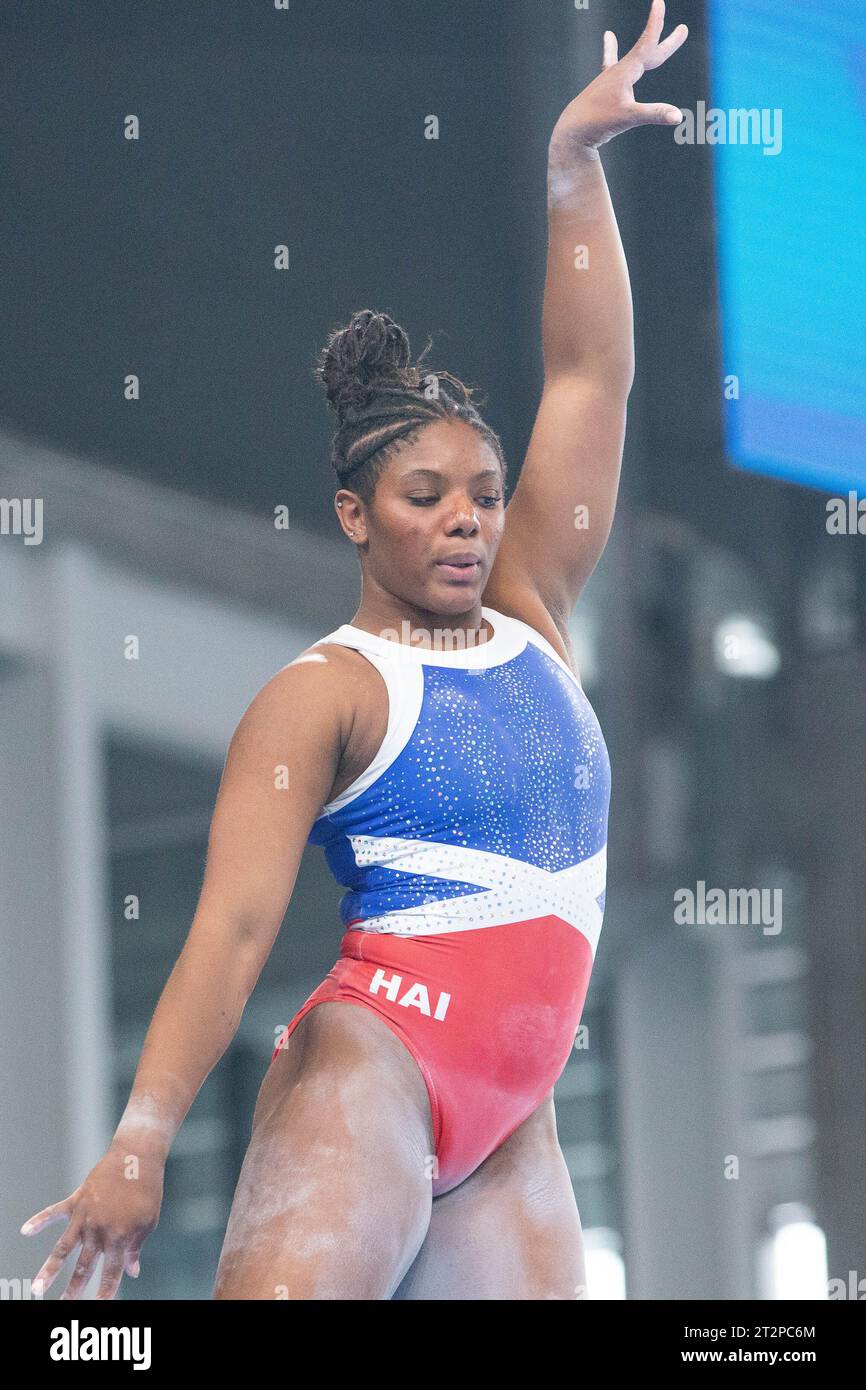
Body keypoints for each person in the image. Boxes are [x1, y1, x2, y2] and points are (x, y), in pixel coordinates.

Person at [21, 0, 687, 1300]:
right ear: (352, 513)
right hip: (372, 1065)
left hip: (514, 1122)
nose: (464, 520)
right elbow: (232, 925)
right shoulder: (327, 692)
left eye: (482, 494)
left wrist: (570, 172)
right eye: (424, 495)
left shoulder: (533, 608)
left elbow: (587, 376)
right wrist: (140, 1141)